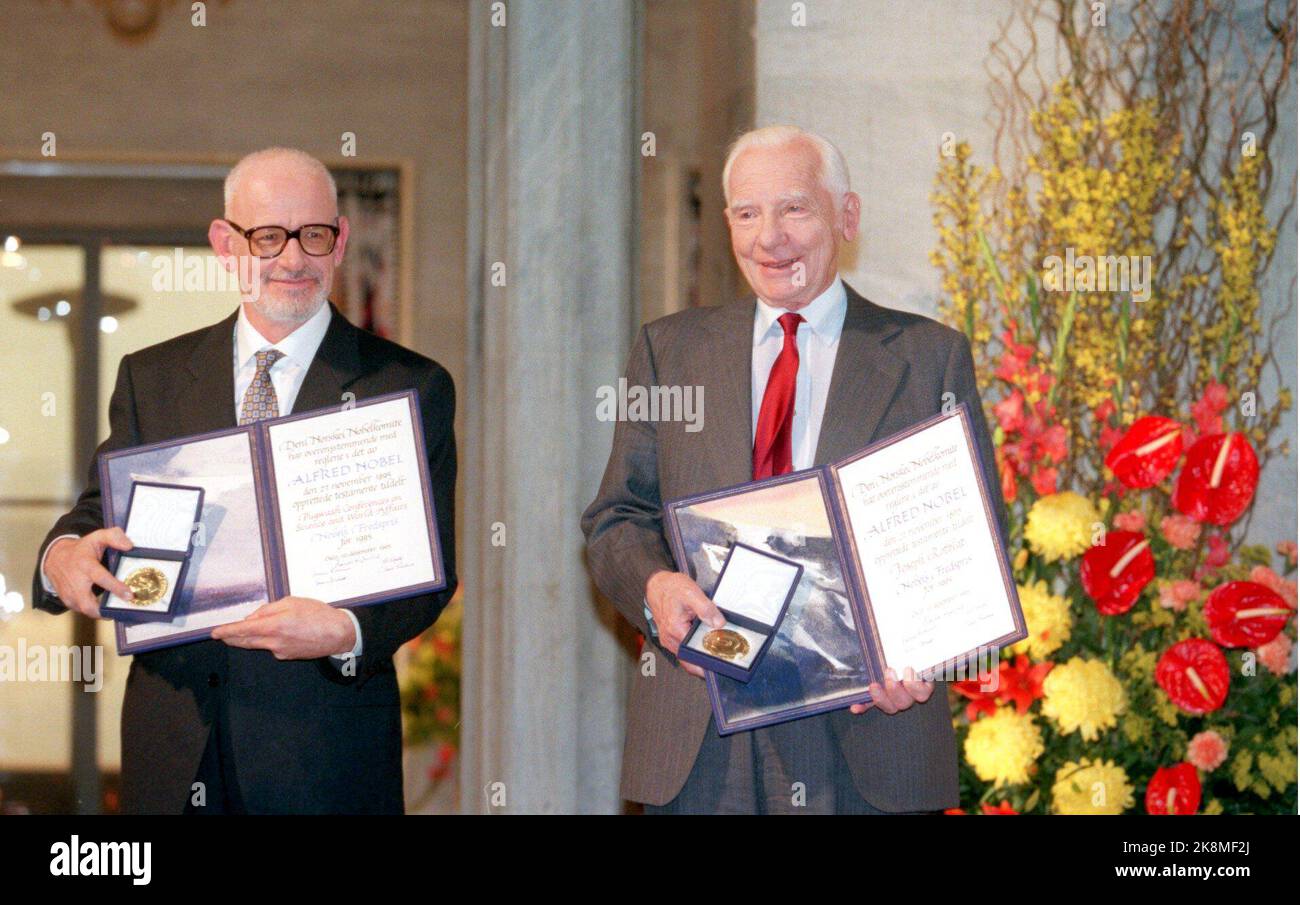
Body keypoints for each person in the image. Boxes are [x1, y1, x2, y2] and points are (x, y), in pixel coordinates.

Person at [581, 125, 1006, 814]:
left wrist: (924, 653)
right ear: (727, 225)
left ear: (847, 215)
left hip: (871, 734)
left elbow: (975, 543)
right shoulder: (668, 351)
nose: (769, 236)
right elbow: (614, 519)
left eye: (794, 208)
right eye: (747, 213)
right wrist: (656, 585)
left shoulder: (929, 358)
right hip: (702, 735)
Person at [32, 147, 457, 814]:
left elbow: (430, 572)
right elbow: (101, 511)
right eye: (267, 237)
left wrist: (346, 630)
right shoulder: (155, 377)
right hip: (173, 750)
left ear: (341, 240)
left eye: (313, 235)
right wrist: (62, 552)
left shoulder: (404, 386)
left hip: (324, 753)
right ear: (225, 245)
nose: (292, 259)